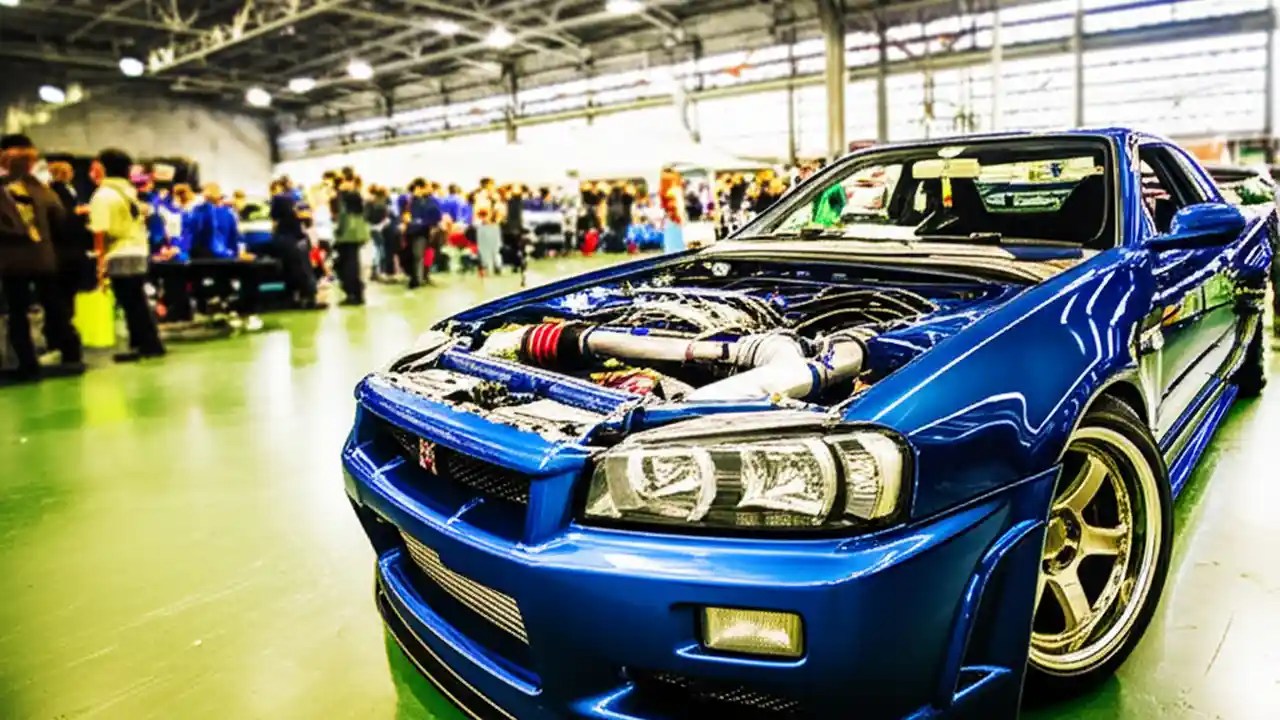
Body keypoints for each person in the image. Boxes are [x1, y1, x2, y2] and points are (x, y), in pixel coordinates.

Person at [0, 134, 84, 381]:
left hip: (11, 260)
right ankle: (71, 354)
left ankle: (26, 363)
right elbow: (60, 219)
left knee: (17, 312)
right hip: (44, 258)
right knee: (54, 305)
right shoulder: (41, 189)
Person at [88, 147, 165, 362]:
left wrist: (100, 262)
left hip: (119, 253)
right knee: (137, 300)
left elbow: (100, 232)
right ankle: (145, 343)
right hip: (138, 249)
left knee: (131, 302)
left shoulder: (103, 194)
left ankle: (146, 344)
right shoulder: (128, 191)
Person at [47, 160, 94, 311]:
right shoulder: (58, 190)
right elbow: (65, 213)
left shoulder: (63, 189)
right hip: (67, 244)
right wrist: (79, 212)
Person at [269, 178, 320, 308]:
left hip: (284, 238)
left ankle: (292, 297)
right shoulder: (296, 199)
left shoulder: (278, 199)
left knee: (289, 269)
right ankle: (309, 297)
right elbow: (308, 220)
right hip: (297, 238)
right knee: (304, 269)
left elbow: (274, 218)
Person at [333, 176, 369, 304]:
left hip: (348, 235)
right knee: (352, 265)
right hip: (356, 235)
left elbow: (343, 218)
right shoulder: (356, 196)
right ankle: (356, 293)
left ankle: (353, 294)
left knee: (348, 266)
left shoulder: (347, 197)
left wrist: (338, 233)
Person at [403, 177, 441, 288]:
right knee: (414, 256)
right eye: (427, 186)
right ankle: (418, 277)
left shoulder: (430, 201)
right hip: (411, 232)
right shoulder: (410, 200)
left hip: (423, 232)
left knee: (418, 255)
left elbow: (435, 216)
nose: (430, 189)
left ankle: (418, 279)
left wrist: (416, 222)